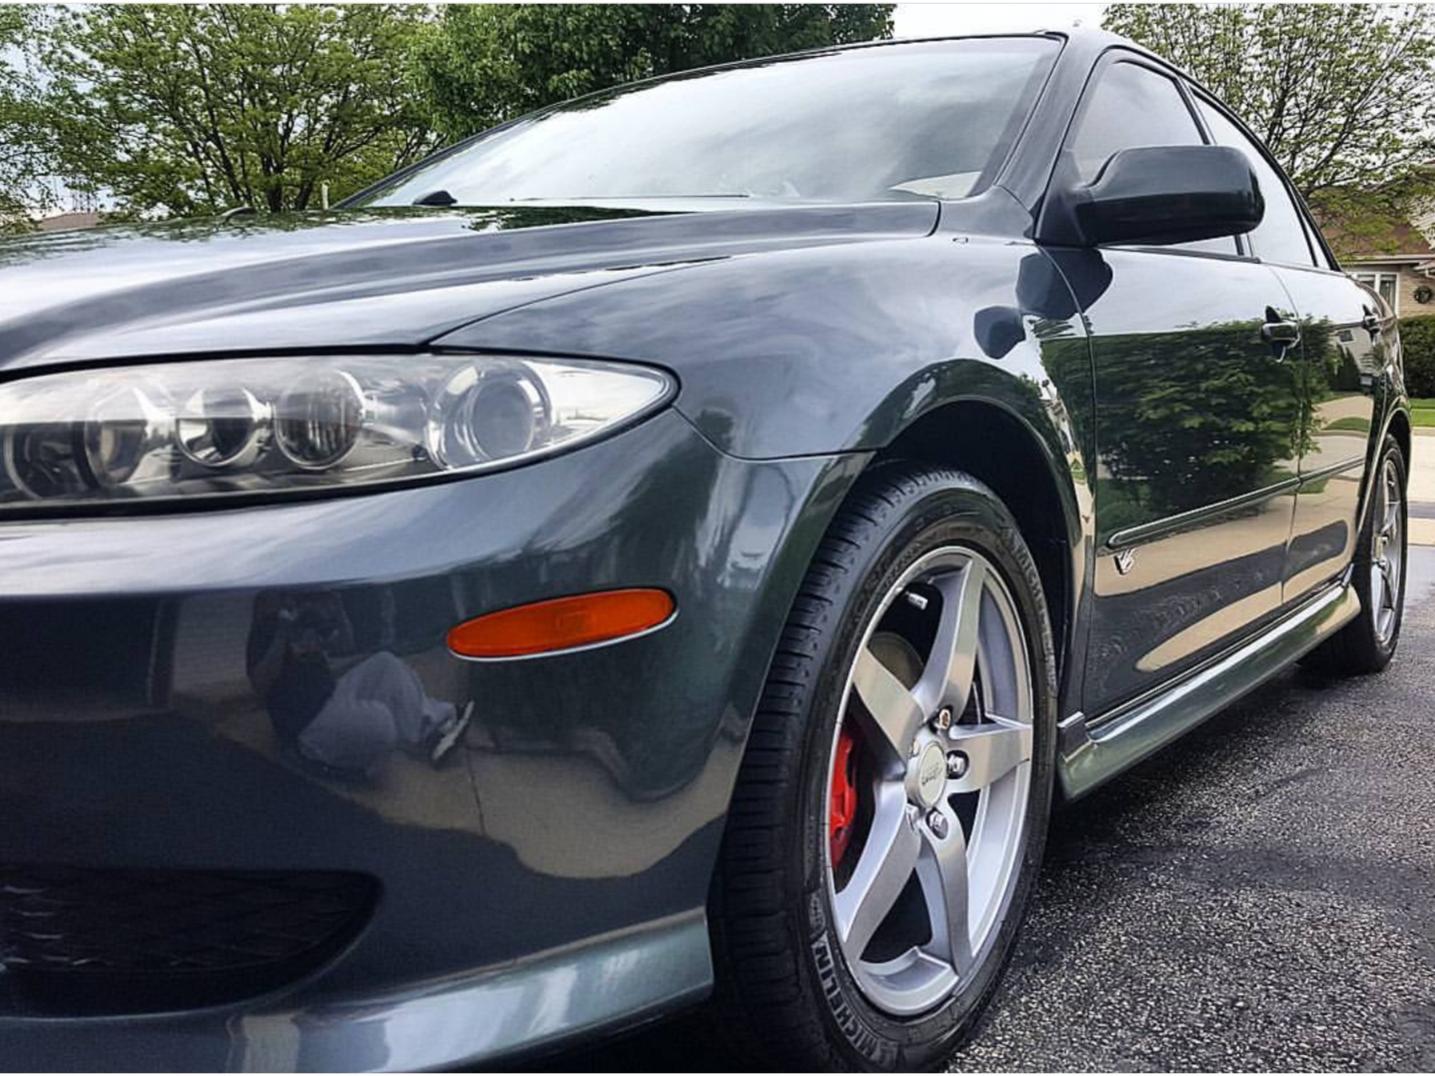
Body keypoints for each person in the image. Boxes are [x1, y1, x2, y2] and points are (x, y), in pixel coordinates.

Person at [246, 590, 471, 778]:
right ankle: (320, 759)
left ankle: (435, 730)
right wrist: (281, 636)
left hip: (329, 694)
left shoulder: (304, 618)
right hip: (305, 723)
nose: (287, 602)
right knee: (382, 722)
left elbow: (346, 645)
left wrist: (337, 610)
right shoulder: (265, 632)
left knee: (385, 664)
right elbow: (260, 685)